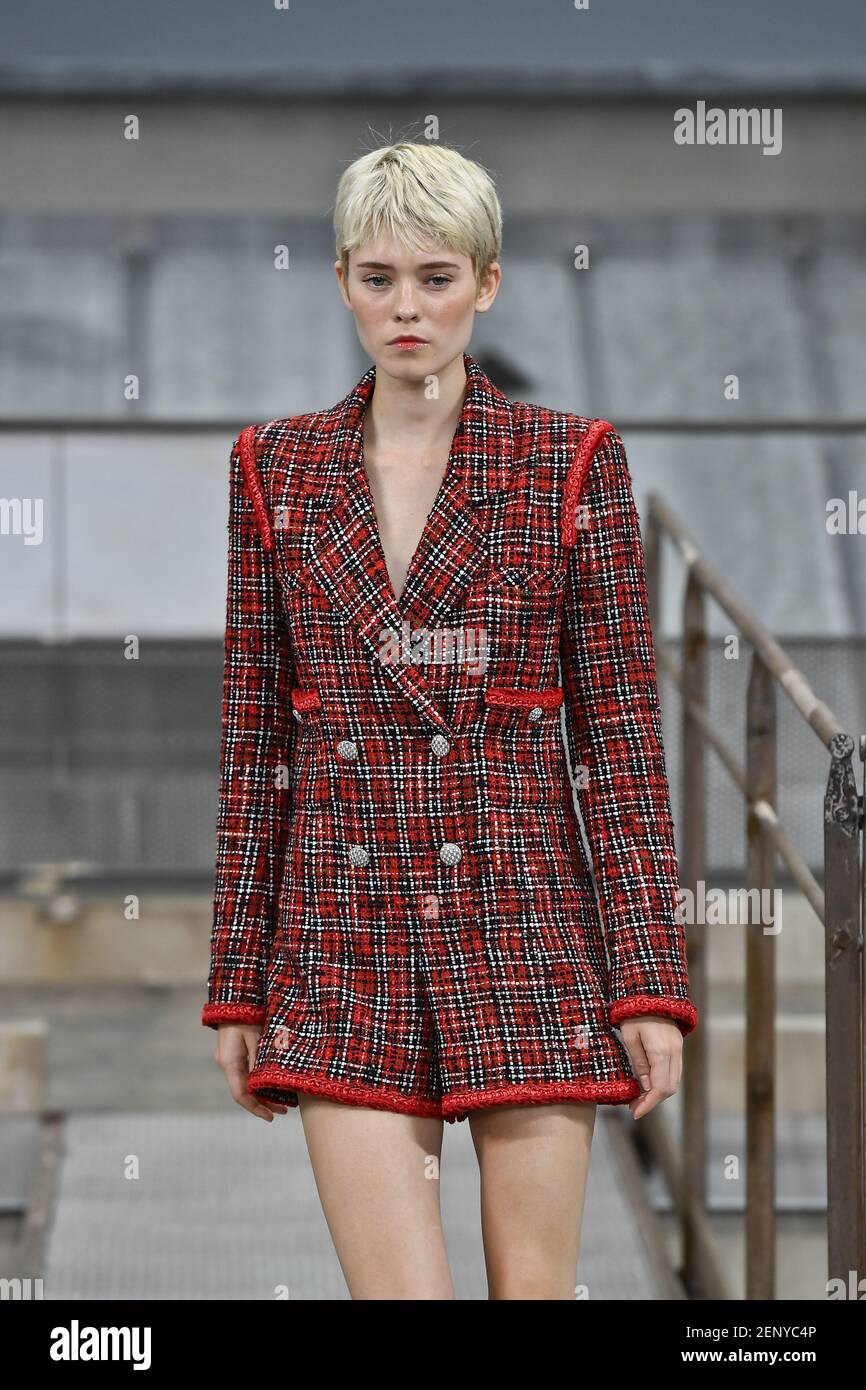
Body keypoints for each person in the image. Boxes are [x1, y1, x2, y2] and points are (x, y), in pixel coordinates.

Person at [201, 140, 698, 1299]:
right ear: (339, 284)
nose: (405, 306)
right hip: (339, 937)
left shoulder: (567, 464)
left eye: (434, 276)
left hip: (525, 928)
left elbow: (617, 738)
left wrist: (643, 982)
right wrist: (238, 978)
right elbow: (253, 741)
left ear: (487, 282)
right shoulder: (274, 467)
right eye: (377, 277)